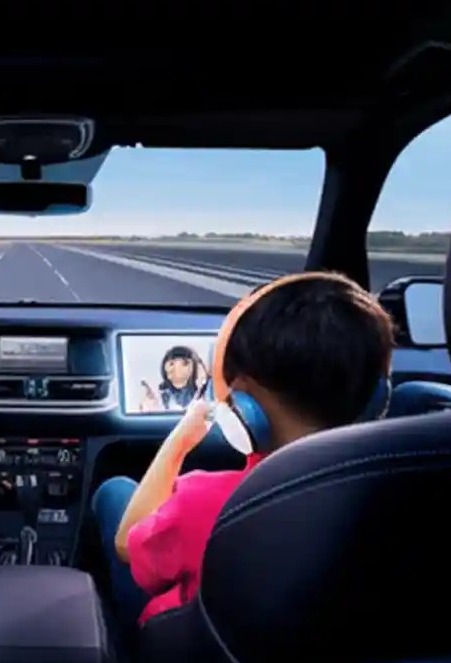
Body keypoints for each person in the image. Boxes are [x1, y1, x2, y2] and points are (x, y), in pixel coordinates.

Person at [93, 272, 394, 637]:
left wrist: (179, 442)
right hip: (318, 654)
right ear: (378, 398)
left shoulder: (204, 503)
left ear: (243, 406)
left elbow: (127, 543)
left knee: (113, 491)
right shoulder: (402, 492)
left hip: (188, 653)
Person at [139, 345, 208, 412]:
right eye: (171, 363)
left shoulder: (203, 393)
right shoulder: (160, 395)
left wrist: (202, 386)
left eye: (185, 363)